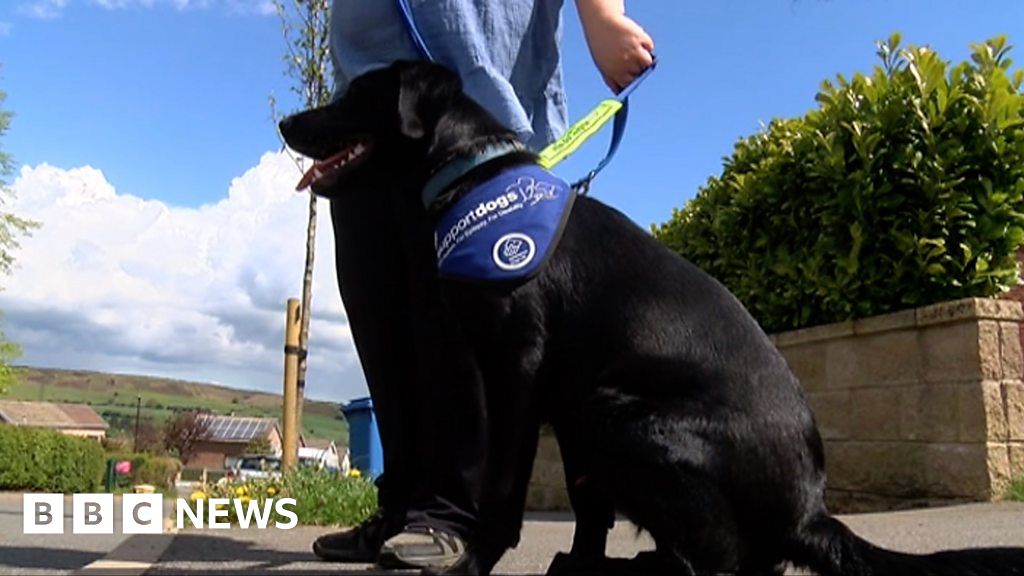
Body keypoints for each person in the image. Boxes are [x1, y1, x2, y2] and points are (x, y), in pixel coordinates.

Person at [312, 0, 654, 571]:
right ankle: (400, 506)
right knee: (380, 314)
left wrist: (603, 17)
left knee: (460, 320)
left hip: (477, 103)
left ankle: (452, 512)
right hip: (368, 89)